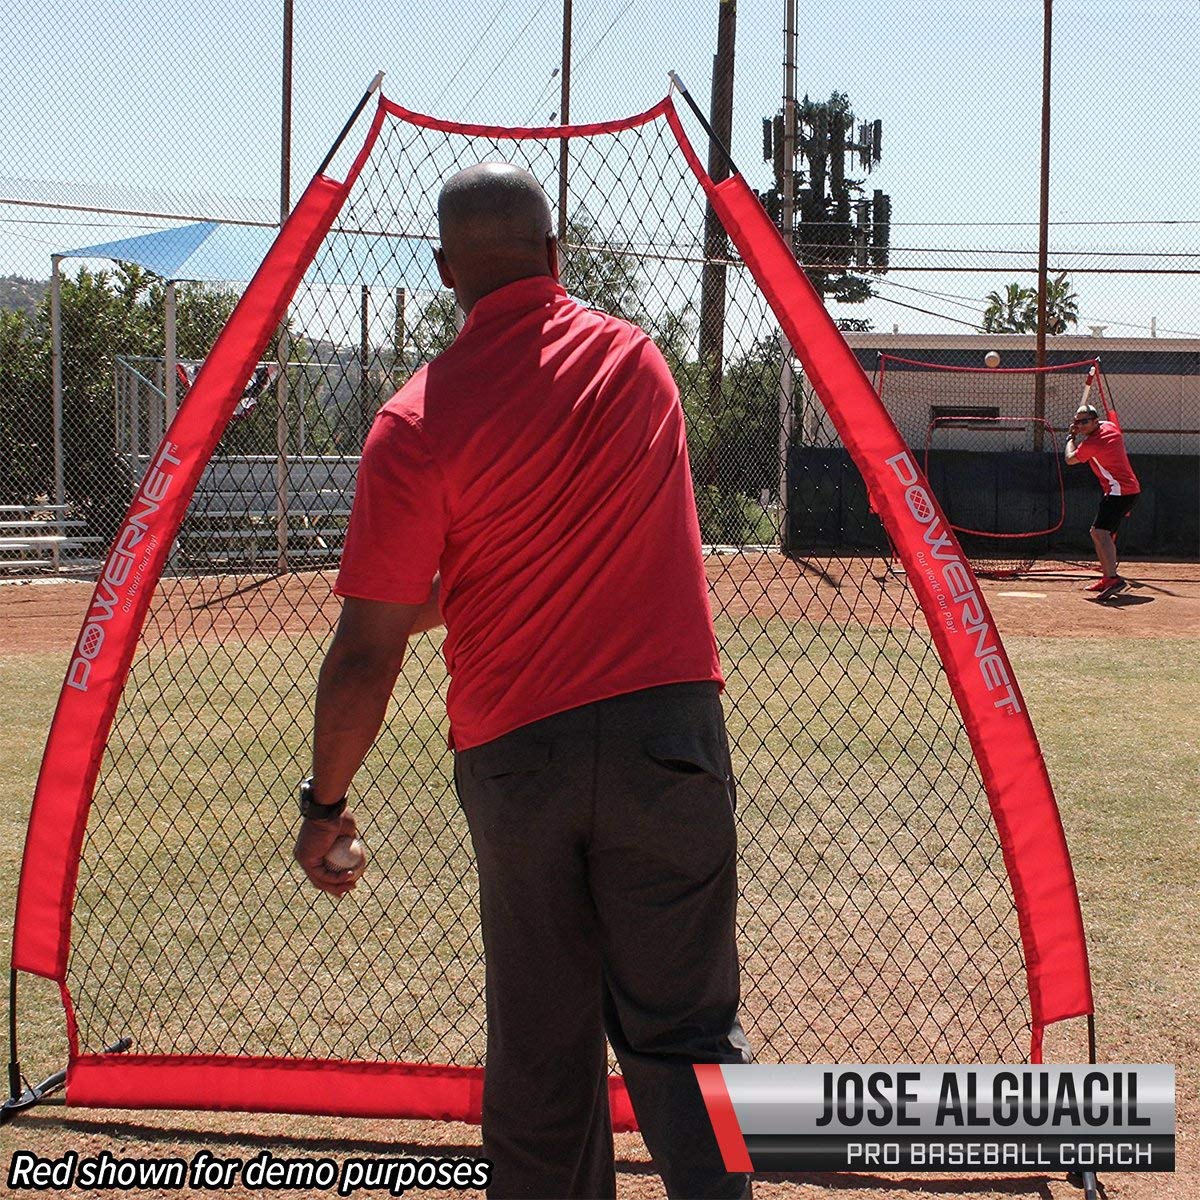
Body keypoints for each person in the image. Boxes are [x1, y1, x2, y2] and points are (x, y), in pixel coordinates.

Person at [292, 162, 752, 1200]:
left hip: (516, 757)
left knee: (542, 1053)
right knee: (688, 1038)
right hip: (666, 739)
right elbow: (552, 537)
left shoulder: (413, 423)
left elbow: (369, 648)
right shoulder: (635, 364)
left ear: (446, 270)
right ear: (556, 256)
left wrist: (325, 802)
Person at [1065, 402, 1140, 600]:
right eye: (1078, 422)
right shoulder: (1109, 426)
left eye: (1085, 422)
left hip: (1120, 492)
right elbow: (1108, 423)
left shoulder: (1093, 443)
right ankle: (1108, 578)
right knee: (1100, 533)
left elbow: (1070, 459)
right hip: (1123, 491)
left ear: (1095, 421)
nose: (1081, 425)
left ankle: (1113, 578)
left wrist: (1071, 438)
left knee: (1099, 532)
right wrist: (1082, 430)